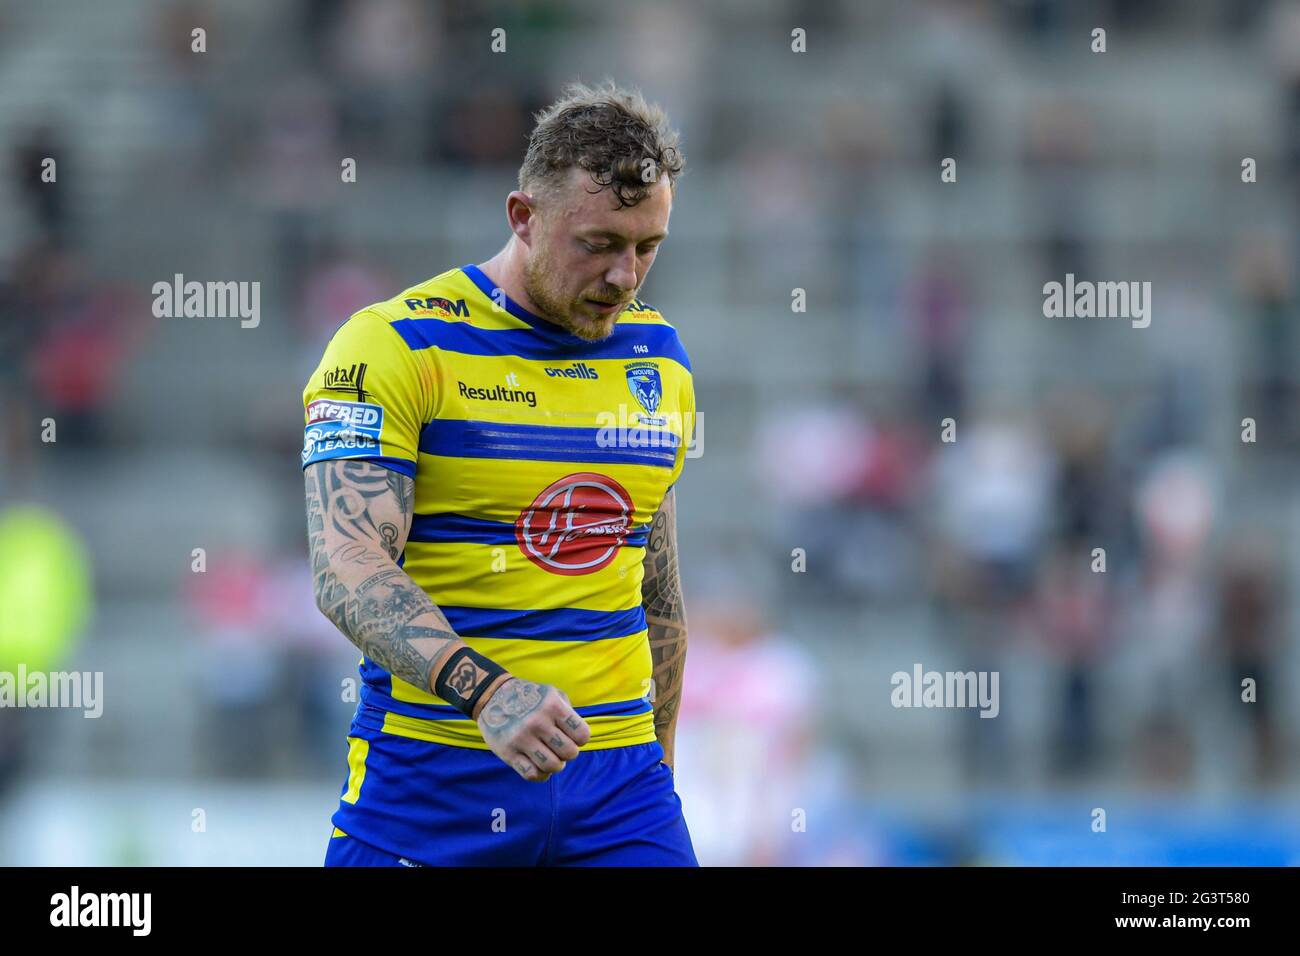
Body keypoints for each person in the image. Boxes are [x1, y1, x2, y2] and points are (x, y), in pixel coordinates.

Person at [301, 80, 697, 865]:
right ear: (523, 217)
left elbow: (657, 588)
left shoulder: (659, 359)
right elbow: (346, 564)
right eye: (599, 244)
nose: (626, 276)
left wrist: (662, 771)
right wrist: (488, 690)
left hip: (622, 786)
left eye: (647, 247)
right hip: (434, 775)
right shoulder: (393, 345)